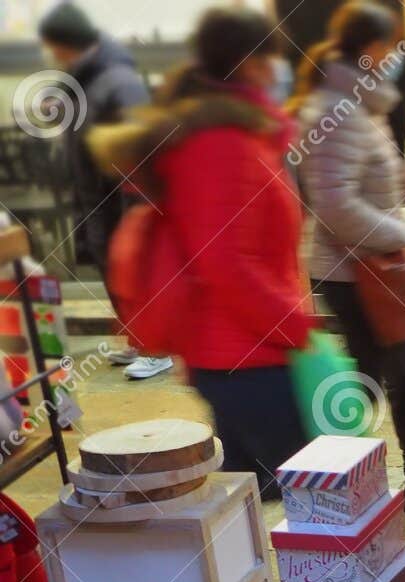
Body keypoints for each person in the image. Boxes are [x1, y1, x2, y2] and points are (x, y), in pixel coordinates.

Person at [88, 7, 313, 497]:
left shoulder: (234, 131)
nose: (278, 70)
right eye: (271, 58)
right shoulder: (220, 143)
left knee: (257, 489)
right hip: (243, 353)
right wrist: (293, 324)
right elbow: (224, 263)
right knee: (315, 494)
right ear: (251, 63)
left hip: (242, 348)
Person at [291, 1, 405, 515]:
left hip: (368, 265)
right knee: (378, 379)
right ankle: (328, 485)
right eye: (392, 45)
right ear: (371, 49)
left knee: (396, 374)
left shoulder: (356, 105)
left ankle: (400, 484)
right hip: (355, 271)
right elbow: (334, 204)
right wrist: (402, 231)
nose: (397, 54)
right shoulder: (338, 111)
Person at [36, 2, 171, 381]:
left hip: (120, 196)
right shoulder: (83, 76)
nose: (52, 53)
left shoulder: (117, 78)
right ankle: (138, 338)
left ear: (66, 43)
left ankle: (158, 348)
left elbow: (138, 148)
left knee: (132, 270)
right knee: (113, 270)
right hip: (96, 194)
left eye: (53, 45)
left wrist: (137, 207)